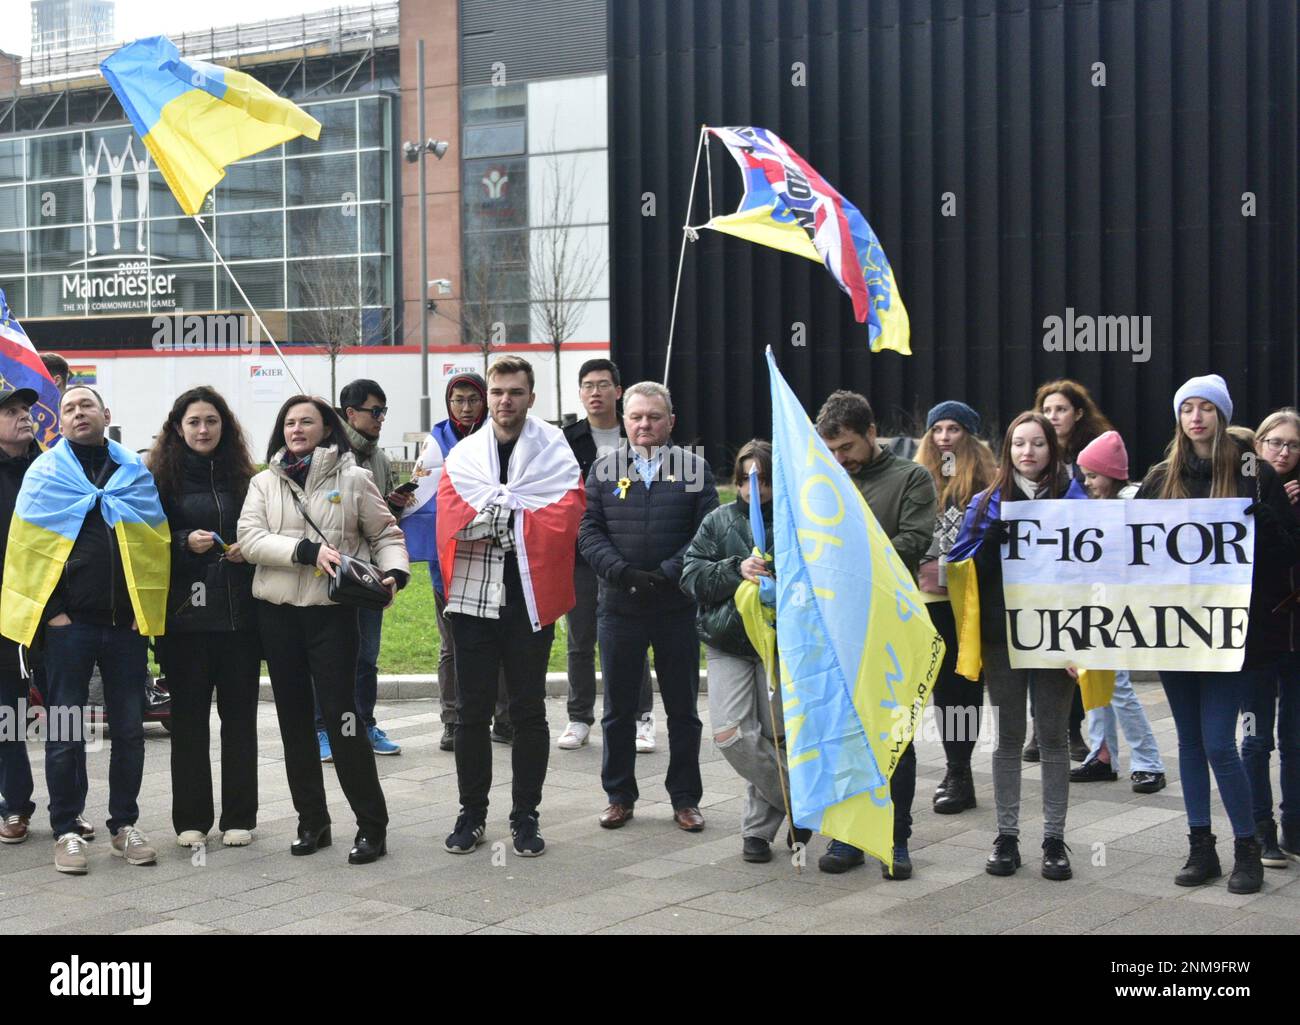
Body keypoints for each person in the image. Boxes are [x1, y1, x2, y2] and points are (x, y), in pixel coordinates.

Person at [1136, 376, 1300, 894]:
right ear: (1179, 418)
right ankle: (1200, 846)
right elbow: (1127, 550)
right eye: (1188, 408)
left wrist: (1266, 524)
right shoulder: (1162, 476)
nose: (1197, 417)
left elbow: (1287, 557)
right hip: (1176, 633)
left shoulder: (1256, 475)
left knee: (1218, 744)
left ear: (1222, 415)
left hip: (1235, 635)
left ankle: (1247, 849)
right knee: (1188, 743)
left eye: (1207, 408)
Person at [1, 386, 170, 874]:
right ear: (63, 419)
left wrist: (144, 610)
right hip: (68, 629)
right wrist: (53, 611)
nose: (78, 413)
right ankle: (66, 830)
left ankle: (124, 826)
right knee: (64, 733)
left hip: (125, 627)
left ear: (105, 415)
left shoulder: (133, 474)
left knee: (130, 732)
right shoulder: (45, 473)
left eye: (86, 406)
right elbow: (27, 550)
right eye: (70, 407)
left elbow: (154, 542)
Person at [238, 395, 409, 865]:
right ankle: (311, 820)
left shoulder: (355, 479)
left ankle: (372, 826)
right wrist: (305, 552)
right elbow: (250, 539)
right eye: (289, 422)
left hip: (332, 614)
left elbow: (386, 534)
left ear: (326, 429)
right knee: (294, 723)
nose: (296, 428)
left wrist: (395, 573)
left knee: (344, 720)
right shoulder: (263, 484)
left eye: (306, 421)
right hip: (277, 617)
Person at [438, 357, 585, 858]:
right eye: (497, 392)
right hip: (471, 600)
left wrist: (498, 514)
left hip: (528, 599)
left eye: (515, 392)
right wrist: (511, 513)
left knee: (527, 709)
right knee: (471, 711)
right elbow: (451, 514)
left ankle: (526, 816)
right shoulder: (464, 455)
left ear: (531, 396)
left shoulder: (553, 449)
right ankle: (471, 814)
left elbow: (567, 509)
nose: (504, 401)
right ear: (487, 397)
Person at [949, 411, 1088, 881]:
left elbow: (1100, 572)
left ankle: (1054, 839)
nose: (1028, 453)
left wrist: (1085, 644)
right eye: (1019, 444)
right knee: (1007, 739)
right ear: (1007, 452)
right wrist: (986, 547)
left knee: (1052, 740)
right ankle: (1006, 836)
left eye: (1039, 444)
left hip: (1057, 637)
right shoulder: (984, 503)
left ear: (1054, 449)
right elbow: (958, 571)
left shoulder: (1076, 499)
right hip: (1001, 639)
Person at [579, 381, 718, 833]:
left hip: (676, 606)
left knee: (683, 709)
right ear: (625, 421)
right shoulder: (603, 470)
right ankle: (619, 796)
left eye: (654, 417)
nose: (644, 425)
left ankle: (685, 799)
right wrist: (622, 573)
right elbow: (588, 532)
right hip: (619, 607)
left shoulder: (694, 469)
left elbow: (707, 533)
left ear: (670, 422)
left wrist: (669, 572)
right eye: (636, 417)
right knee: (618, 709)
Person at [814, 391, 937, 878]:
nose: (840, 459)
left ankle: (895, 836)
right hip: (833, 625)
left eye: (846, 448)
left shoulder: (912, 478)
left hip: (888, 626)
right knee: (841, 734)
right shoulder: (822, 481)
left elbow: (913, 541)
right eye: (831, 451)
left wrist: (852, 552)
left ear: (870, 433)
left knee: (893, 738)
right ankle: (847, 835)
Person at [681, 440, 809, 862]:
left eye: (765, 482)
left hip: (779, 644)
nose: (755, 492)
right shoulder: (718, 521)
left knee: (775, 736)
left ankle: (757, 831)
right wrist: (735, 570)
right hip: (730, 641)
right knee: (733, 734)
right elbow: (692, 576)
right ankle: (802, 803)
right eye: (747, 482)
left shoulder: (797, 520)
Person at [147, 387, 261, 848]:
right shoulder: (158, 480)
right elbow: (143, 544)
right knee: (189, 723)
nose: (203, 430)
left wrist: (246, 549)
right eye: (193, 421)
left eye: (211, 421)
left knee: (239, 721)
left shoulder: (247, 478)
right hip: (185, 622)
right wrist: (180, 544)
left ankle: (240, 817)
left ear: (224, 426)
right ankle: (190, 820)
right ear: (178, 427)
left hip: (240, 621)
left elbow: (266, 531)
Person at [400, 371, 512, 752]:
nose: (465, 408)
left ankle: (505, 717)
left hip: (496, 553)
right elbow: (419, 493)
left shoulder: (500, 437)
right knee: (452, 645)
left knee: (499, 639)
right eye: (457, 400)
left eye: (473, 399)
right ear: (448, 403)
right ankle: (453, 720)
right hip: (448, 558)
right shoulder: (436, 442)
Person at [559, 359, 654, 752]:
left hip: (630, 552)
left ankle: (642, 717)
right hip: (581, 553)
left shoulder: (638, 432)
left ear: (619, 390)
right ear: (580, 394)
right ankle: (579, 716)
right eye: (587, 386)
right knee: (580, 638)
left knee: (633, 635)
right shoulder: (564, 440)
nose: (594, 392)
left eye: (602, 385)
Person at [1067, 430, 1167, 793]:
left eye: (1093, 475)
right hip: (1098, 605)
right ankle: (1102, 752)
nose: (1087, 482)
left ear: (1111, 473)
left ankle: (1148, 761)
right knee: (1093, 678)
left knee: (1117, 685)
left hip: (1117, 607)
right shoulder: (1100, 504)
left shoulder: (1129, 504)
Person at [321, 378, 411, 760]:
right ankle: (325, 729)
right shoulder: (327, 451)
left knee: (366, 656)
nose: (381, 419)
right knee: (327, 657)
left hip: (370, 574)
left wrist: (396, 504)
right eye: (375, 412)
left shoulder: (380, 458)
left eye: (384, 411)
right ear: (350, 413)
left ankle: (365, 724)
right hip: (329, 570)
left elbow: (384, 523)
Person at [914, 400, 995, 815]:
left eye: (954, 429)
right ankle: (954, 769)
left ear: (969, 435)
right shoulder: (916, 477)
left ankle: (961, 771)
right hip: (926, 598)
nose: (944, 437)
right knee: (944, 688)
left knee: (966, 685)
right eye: (938, 429)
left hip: (971, 600)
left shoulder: (988, 479)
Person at [1030, 380, 1111, 762]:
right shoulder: (1031, 452)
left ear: (1078, 413)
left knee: (1074, 648)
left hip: (1081, 566)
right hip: (1039, 568)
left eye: (1060, 409)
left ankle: (1073, 729)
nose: (1053, 417)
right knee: (1038, 644)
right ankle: (1039, 729)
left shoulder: (1093, 451)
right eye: (1047, 411)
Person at [1241, 408, 1300, 867]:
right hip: (1256, 635)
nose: (1282, 451)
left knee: (1296, 737)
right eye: (1274, 442)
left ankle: (1294, 827)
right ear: (1258, 446)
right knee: (1257, 738)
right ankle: (1262, 831)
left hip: (1294, 635)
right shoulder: (1244, 487)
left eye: (1292, 444)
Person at [0, 385, 43, 846]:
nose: (22, 417)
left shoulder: (52, 468)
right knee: (7, 714)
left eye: (25, 411)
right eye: (10, 412)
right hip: (2, 616)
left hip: (53, 613)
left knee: (65, 712)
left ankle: (69, 809)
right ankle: (15, 805)